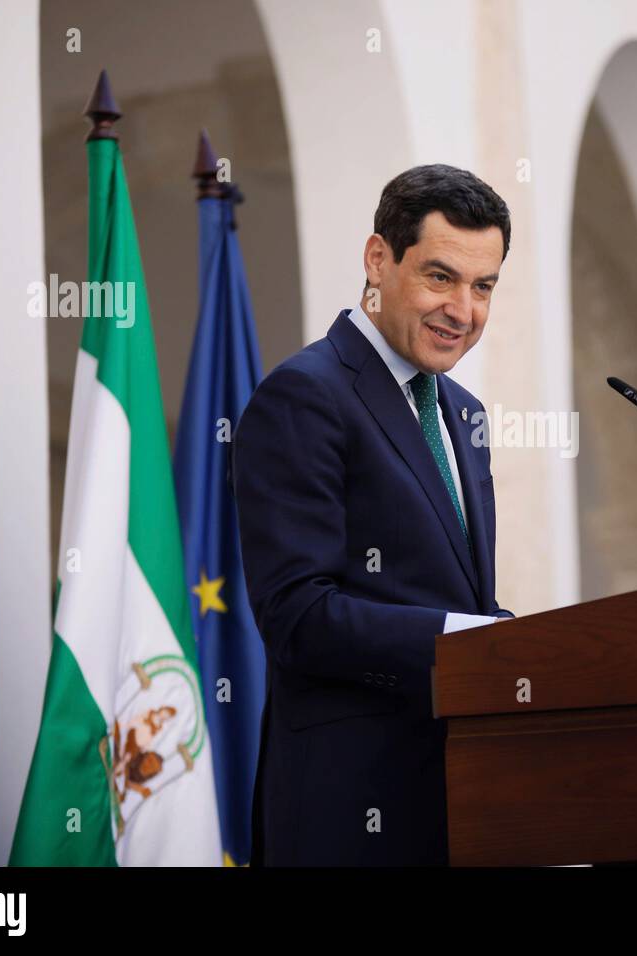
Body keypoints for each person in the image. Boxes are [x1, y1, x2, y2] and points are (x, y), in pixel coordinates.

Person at [233, 164, 515, 865]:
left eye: (484, 288)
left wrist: (526, 644)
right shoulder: (305, 394)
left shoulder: (463, 413)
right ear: (377, 259)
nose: (464, 310)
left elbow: (454, 597)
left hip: (463, 806)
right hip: (347, 811)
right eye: (441, 277)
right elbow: (298, 615)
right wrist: (472, 641)